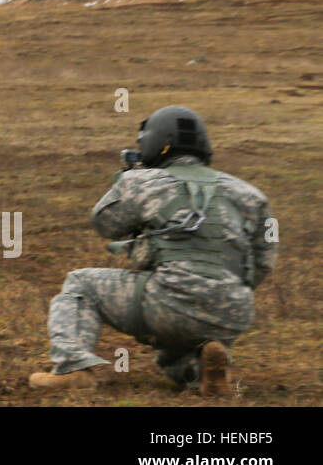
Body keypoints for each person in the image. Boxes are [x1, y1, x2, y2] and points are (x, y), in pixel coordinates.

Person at [29, 106, 277, 395]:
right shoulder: (252, 195)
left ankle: (71, 368)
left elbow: (103, 223)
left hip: (168, 302)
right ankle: (203, 371)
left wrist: (129, 182)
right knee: (172, 353)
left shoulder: (142, 182)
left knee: (80, 285)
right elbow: (264, 262)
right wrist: (221, 291)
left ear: (153, 142)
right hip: (232, 312)